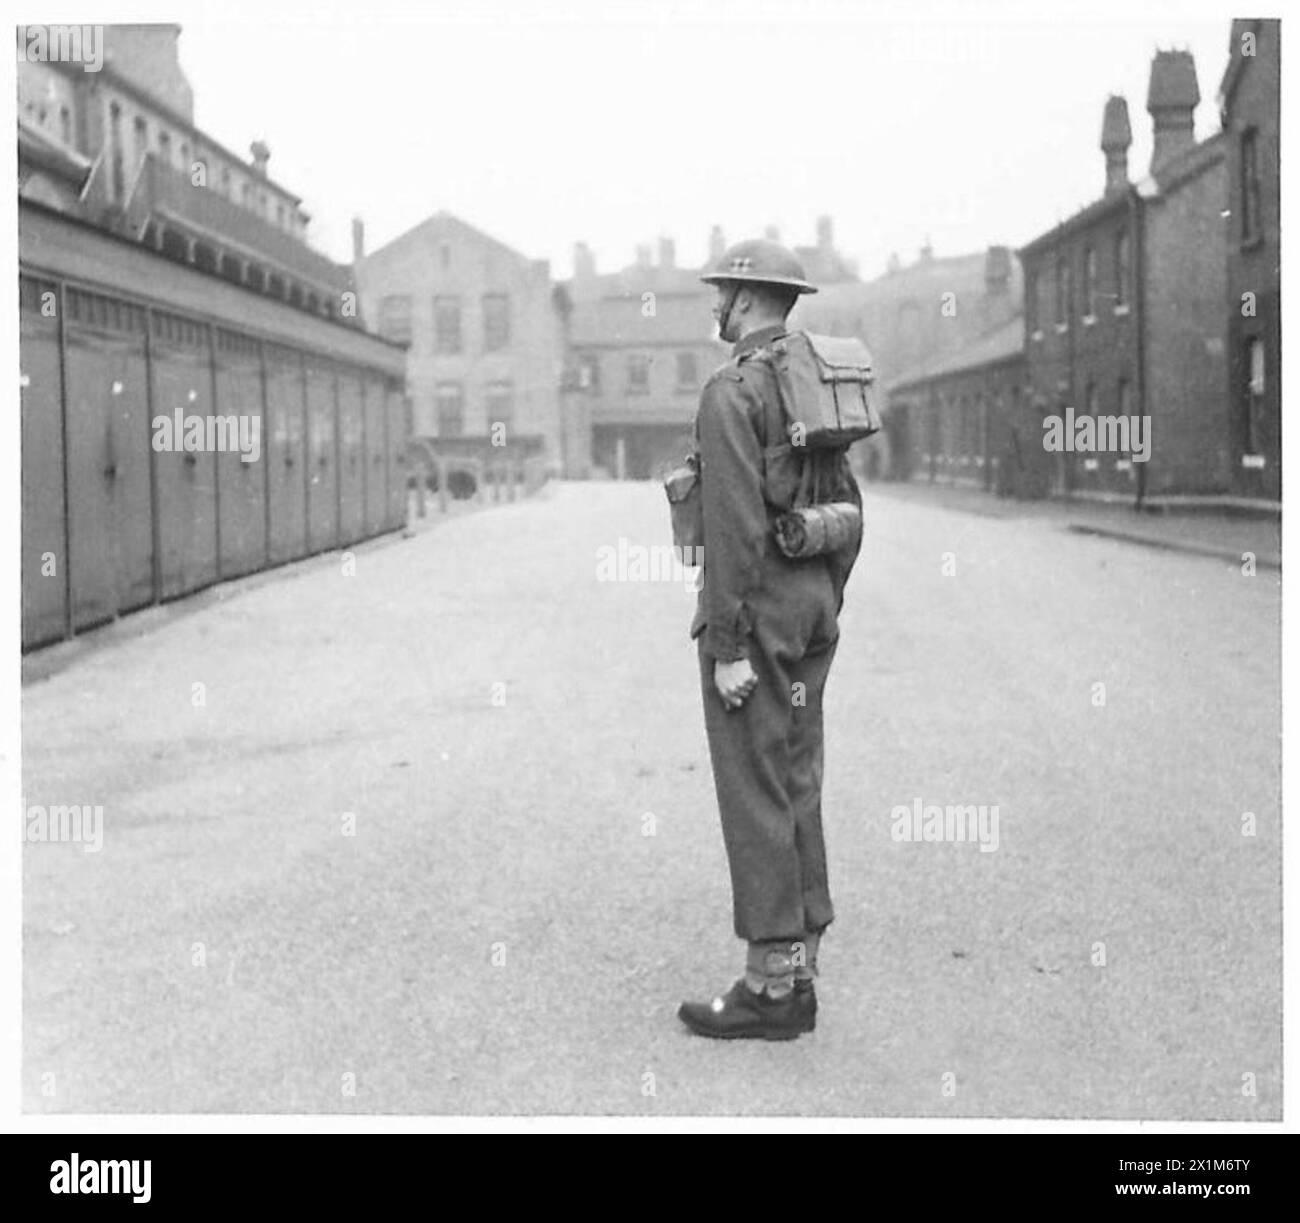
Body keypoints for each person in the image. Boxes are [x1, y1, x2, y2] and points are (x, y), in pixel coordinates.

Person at [678, 239, 862, 1041]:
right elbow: (848, 510)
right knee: (796, 781)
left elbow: (733, 530)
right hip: (811, 608)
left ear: (747, 298)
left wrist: (726, 648)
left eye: (722, 292)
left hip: (755, 622)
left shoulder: (733, 392)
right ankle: (805, 964)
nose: (716, 304)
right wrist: (822, 601)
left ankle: (770, 989)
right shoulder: (815, 382)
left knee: (755, 793)